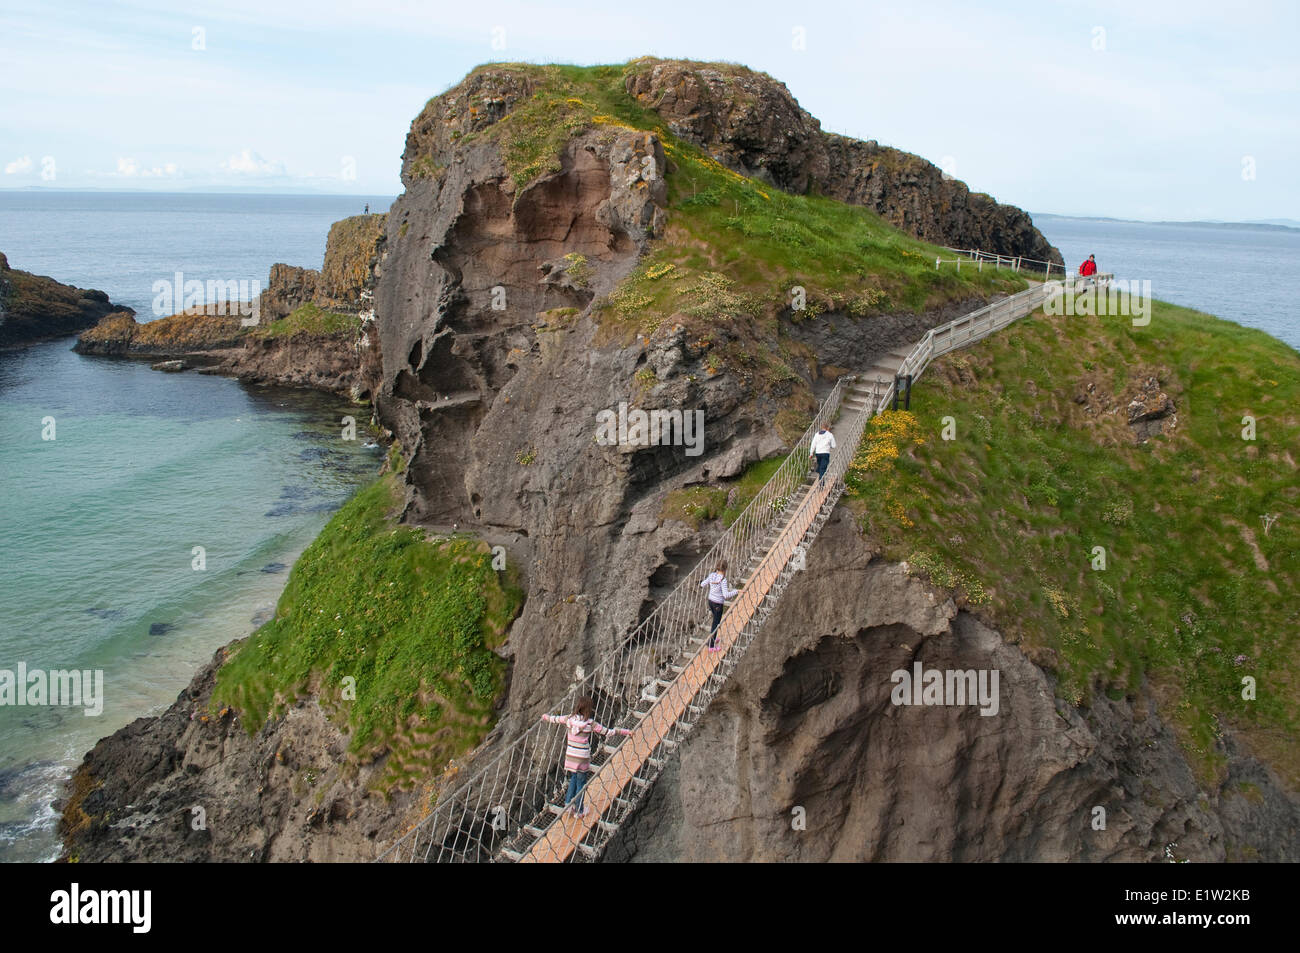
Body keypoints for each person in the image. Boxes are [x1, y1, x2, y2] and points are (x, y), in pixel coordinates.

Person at [541, 696, 631, 818]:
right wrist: (625, 732)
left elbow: (555, 719)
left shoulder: (568, 719)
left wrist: (546, 717)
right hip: (582, 758)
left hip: (571, 757)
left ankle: (568, 804)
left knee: (573, 777)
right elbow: (608, 732)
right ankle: (579, 811)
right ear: (588, 709)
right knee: (581, 784)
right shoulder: (590, 724)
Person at [700, 560, 739, 651]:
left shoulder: (712, 575)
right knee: (716, 624)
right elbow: (726, 595)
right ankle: (711, 646)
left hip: (710, 601)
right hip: (718, 604)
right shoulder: (723, 580)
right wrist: (736, 591)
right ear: (725, 569)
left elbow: (702, 584)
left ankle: (712, 639)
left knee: (715, 621)